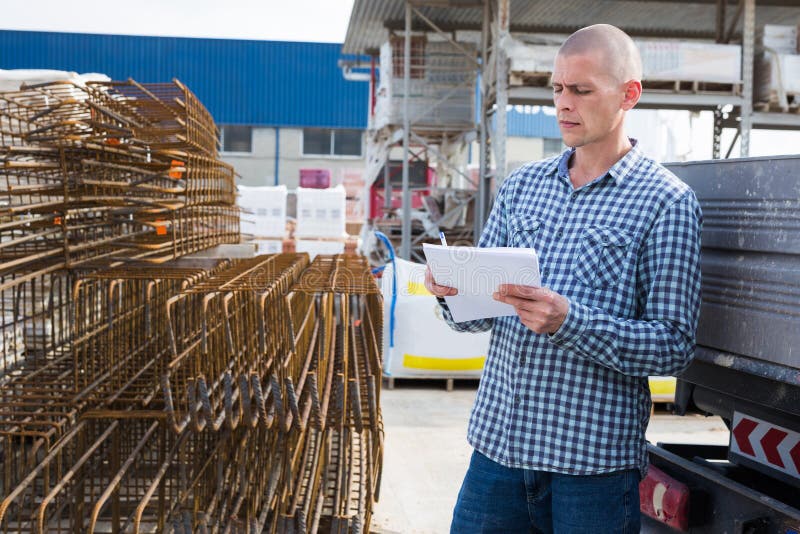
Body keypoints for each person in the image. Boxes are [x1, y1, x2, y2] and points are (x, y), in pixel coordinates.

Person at [424, 24, 703, 533]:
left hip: (592, 472)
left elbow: (673, 345)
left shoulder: (666, 202)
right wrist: (452, 292)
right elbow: (476, 321)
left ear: (629, 95)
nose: (564, 104)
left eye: (581, 90)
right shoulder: (522, 188)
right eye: (557, 88)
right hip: (498, 454)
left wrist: (568, 322)